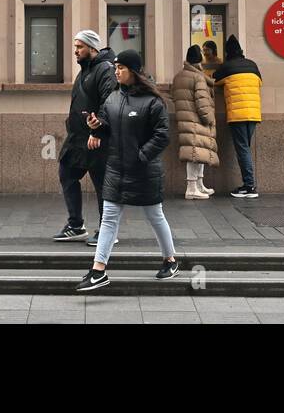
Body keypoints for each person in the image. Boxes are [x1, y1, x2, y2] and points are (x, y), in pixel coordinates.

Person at [75, 49, 178, 291]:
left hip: (143, 171)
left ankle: (170, 260)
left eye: (121, 68)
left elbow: (162, 135)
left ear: (133, 71)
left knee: (155, 216)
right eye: (115, 67)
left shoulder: (153, 102)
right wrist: (96, 127)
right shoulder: (113, 97)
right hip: (116, 169)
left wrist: (141, 156)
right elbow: (106, 124)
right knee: (109, 217)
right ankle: (98, 270)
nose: (116, 72)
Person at [54, 29, 116, 243]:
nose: (76, 51)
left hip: (97, 138)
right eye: (75, 46)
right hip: (77, 139)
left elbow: (109, 101)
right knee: (66, 173)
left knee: (102, 185)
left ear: (92, 48)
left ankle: (107, 231)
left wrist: (98, 130)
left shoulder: (105, 70)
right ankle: (75, 225)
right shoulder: (85, 71)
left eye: (79, 47)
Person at [211, 34, 262, 198]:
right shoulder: (253, 65)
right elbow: (259, 83)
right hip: (254, 114)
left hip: (238, 115)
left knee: (243, 150)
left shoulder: (227, 67)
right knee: (245, 149)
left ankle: (249, 186)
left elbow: (213, 80)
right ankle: (249, 185)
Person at [170, 45, 218, 198]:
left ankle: (199, 185)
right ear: (199, 61)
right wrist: (210, 119)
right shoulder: (198, 77)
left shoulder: (179, 76)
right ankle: (191, 188)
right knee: (195, 154)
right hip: (197, 120)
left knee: (198, 153)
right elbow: (202, 103)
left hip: (185, 118)